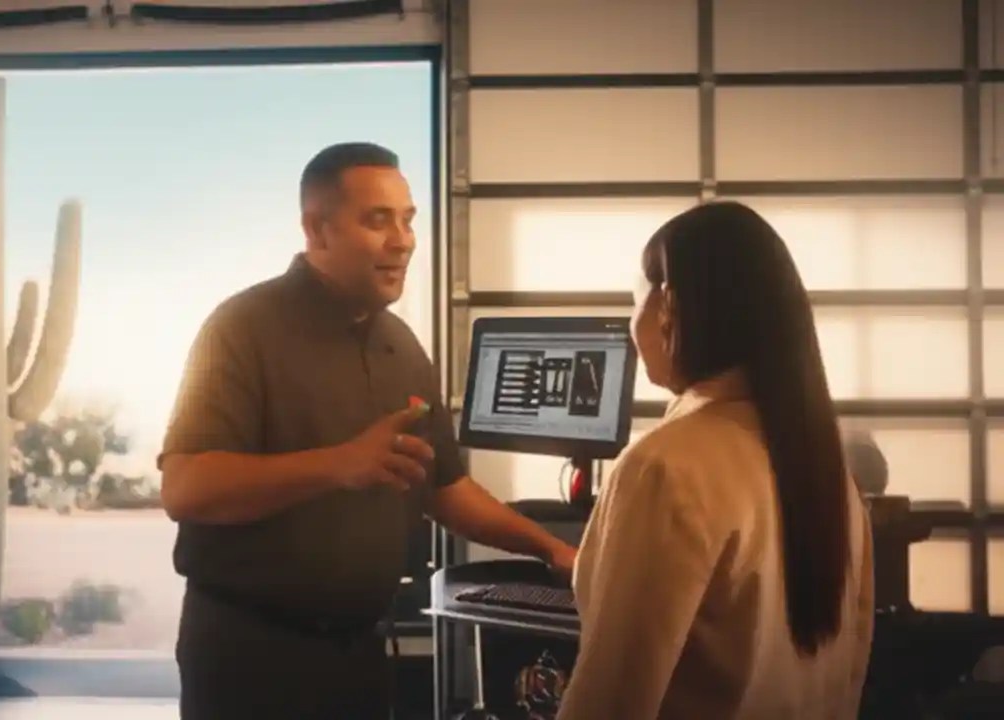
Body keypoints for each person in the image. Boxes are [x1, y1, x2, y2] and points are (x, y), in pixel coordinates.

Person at [159, 142, 577, 719]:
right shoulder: (240, 328)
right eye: (377, 220)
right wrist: (339, 463)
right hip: (249, 657)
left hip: (359, 653)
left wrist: (550, 548)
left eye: (407, 220)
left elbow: (444, 488)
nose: (402, 240)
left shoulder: (400, 346)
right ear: (316, 229)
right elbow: (185, 488)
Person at [557, 201, 875, 719]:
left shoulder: (665, 465)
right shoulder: (829, 470)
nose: (630, 319)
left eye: (634, 298)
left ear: (669, 307)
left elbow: (610, 701)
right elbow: (849, 675)